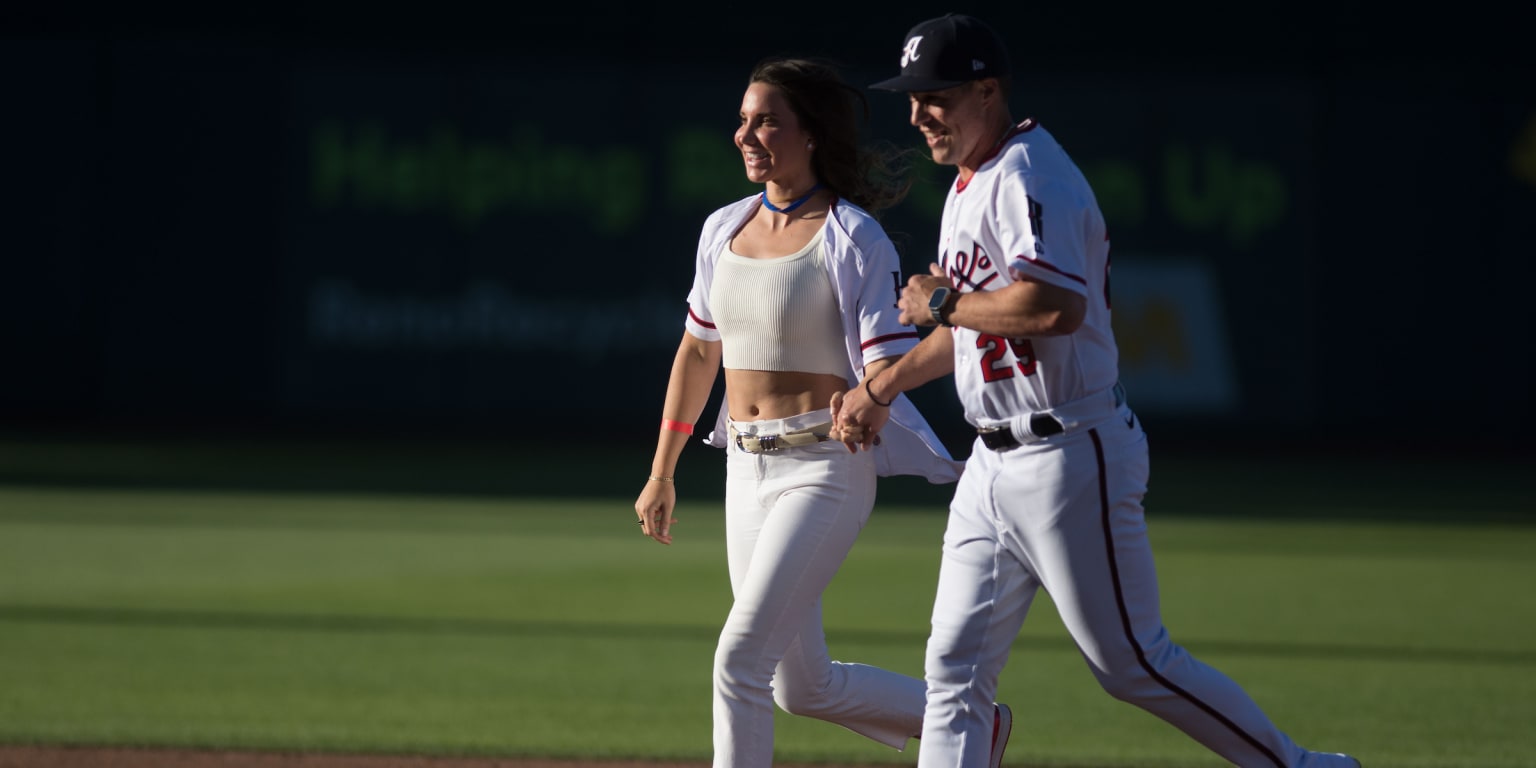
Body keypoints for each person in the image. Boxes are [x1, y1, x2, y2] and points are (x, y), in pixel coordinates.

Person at [831, 13, 1363, 768]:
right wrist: (884, 383)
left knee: (1131, 664)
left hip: (1068, 452)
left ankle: (1304, 767)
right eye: (911, 98)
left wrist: (941, 304)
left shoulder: (1027, 174)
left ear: (987, 91)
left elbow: (1052, 308)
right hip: (992, 463)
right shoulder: (969, 182)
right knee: (952, 671)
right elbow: (976, 324)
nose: (917, 113)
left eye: (935, 96)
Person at [632, 57, 980, 768]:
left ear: (811, 135)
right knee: (802, 685)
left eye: (766, 121)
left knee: (738, 660)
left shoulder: (853, 237)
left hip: (824, 469)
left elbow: (884, 369)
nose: (745, 134)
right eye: (742, 120)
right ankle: (972, 725)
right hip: (744, 468)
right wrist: (662, 470)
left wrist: (873, 402)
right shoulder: (722, 228)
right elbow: (699, 355)